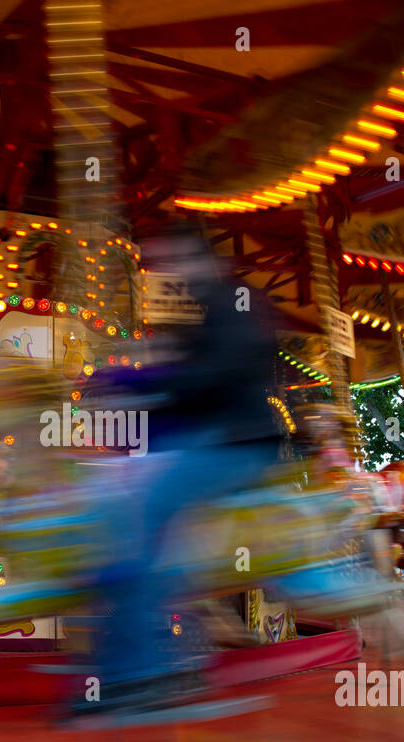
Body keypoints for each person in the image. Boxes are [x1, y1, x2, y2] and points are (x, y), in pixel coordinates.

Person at [69, 225, 282, 717]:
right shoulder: (208, 311)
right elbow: (195, 384)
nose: (167, 273)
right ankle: (175, 655)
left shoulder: (234, 301)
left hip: (237, 442)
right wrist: (139, 384)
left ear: (199, 258)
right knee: (143, 521)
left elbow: (220, 375)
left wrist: (148, 380)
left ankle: (138, 672)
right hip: (218, 437)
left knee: (137, 520)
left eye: (173, 261)